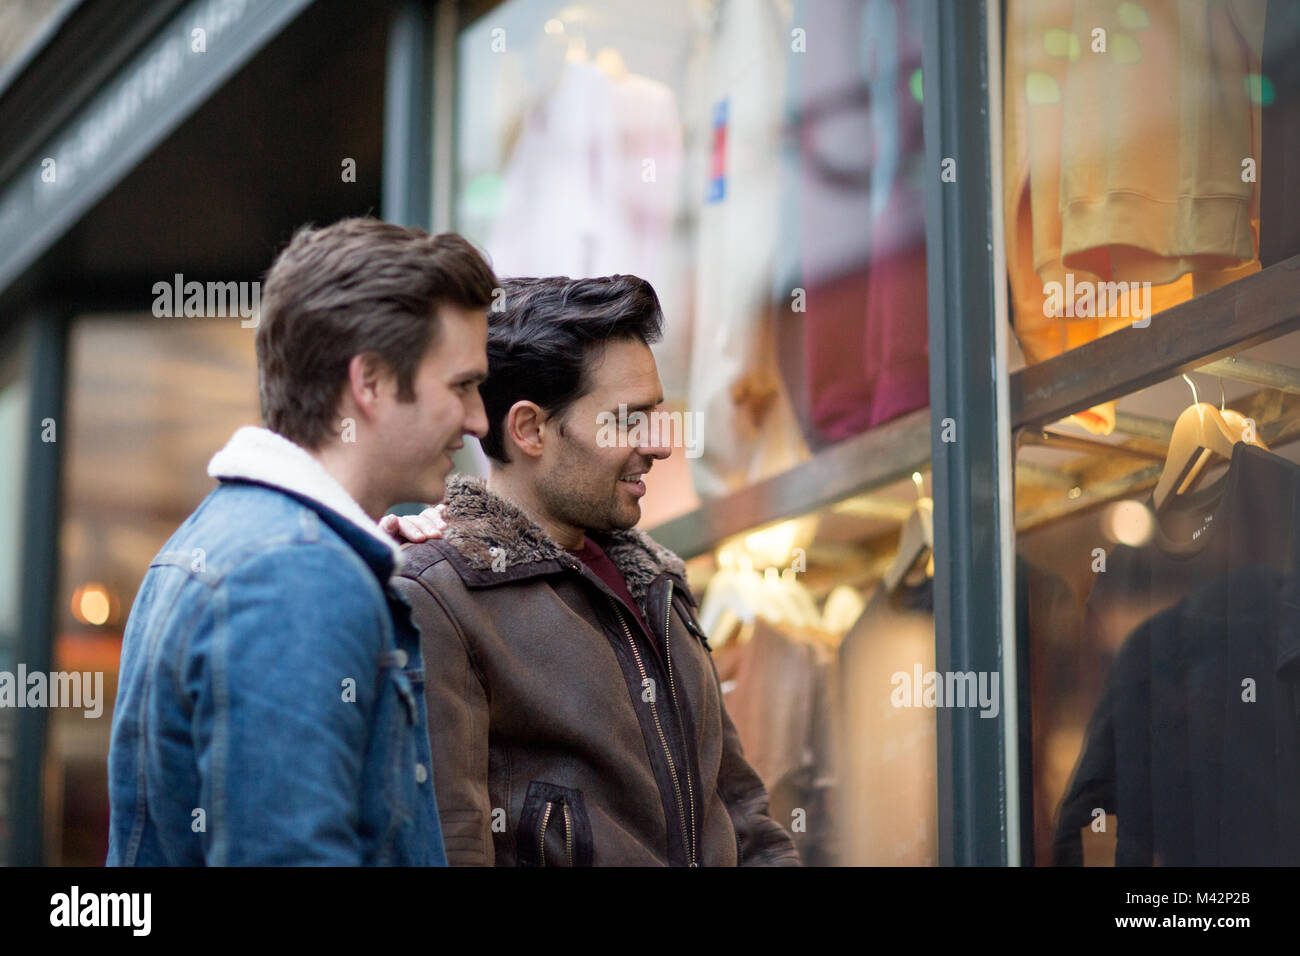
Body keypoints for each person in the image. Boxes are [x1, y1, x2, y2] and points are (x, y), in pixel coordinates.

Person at [106, 217, 497, 865]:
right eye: (462, 386)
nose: (479, 420)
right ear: (369, 383)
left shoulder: (235, 541)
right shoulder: (299, 575)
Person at [384, 275, 800, 866]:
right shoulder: (441, 595)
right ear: (529, 430)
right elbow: (448, 843)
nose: (659, 445)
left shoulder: (659, 582)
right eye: (627, 420)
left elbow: (742, 816)